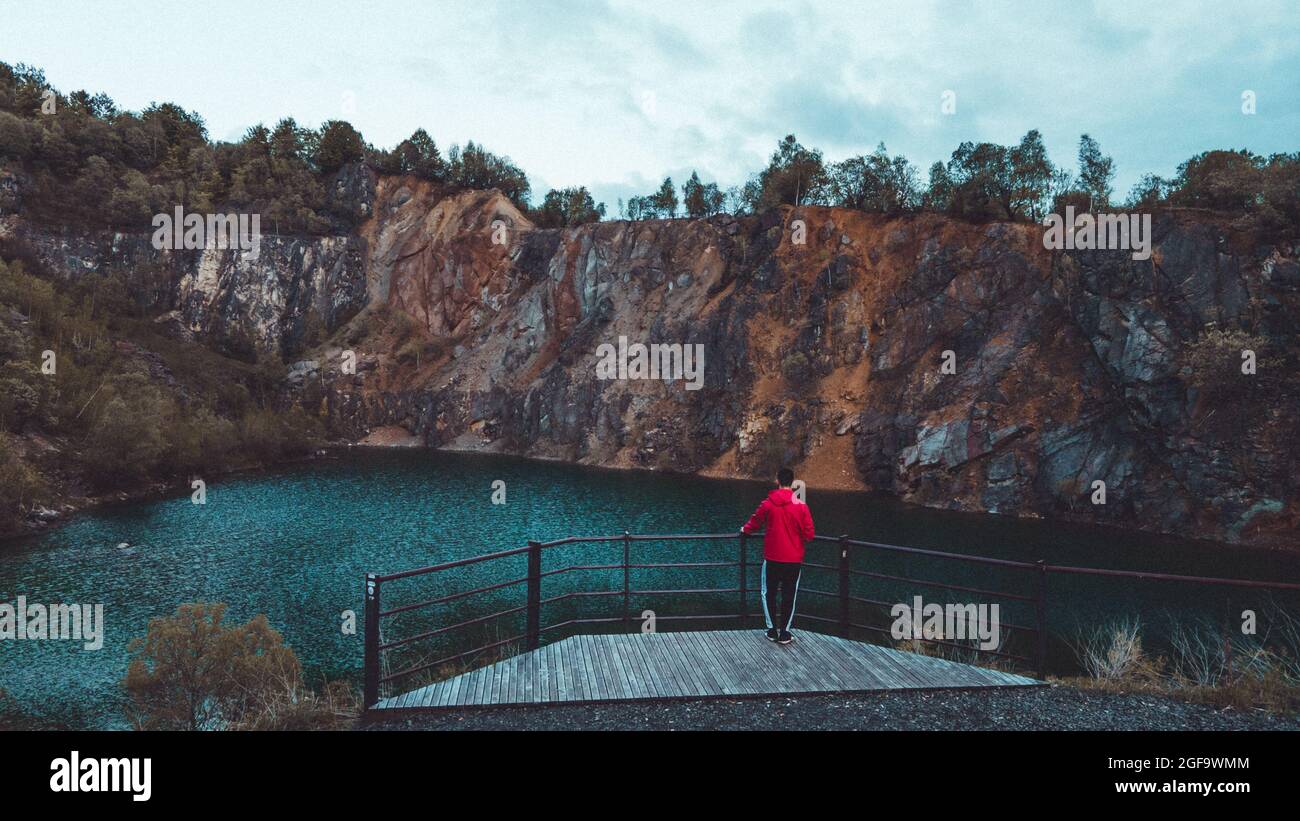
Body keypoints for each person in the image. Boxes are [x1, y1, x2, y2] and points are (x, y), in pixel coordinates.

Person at [740, 467, 814, 645]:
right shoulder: (801, 506)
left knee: (768, 593)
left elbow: (755, 522)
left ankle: (772, 630)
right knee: (790, 595)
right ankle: (785, 632)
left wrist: (744, 530)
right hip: (793, 559)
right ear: (792, 482)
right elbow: (809, 534)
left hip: (772, 557)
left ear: (777, 481)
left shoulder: (768, 503)